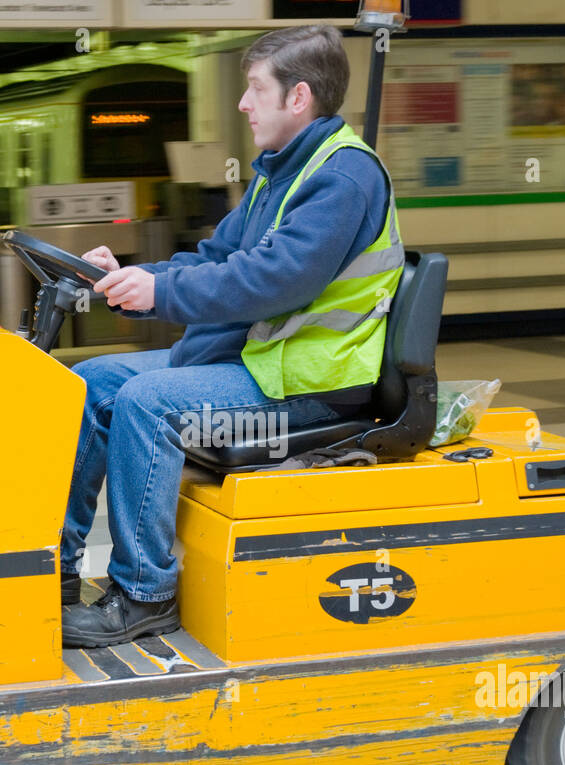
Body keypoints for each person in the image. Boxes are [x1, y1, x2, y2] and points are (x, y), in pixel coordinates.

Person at [59, 23, 403, 648]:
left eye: (253, 89)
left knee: (146, 403)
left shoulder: (343, 178)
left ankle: (143, 595)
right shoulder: (281, 174)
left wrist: (161, 294)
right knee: (92, 382)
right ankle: (54, 569)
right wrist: (134, 279)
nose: (243, 104)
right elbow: (214, 258)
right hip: (264, 364)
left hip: (312, 387)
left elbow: (274, 283)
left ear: (297, 98)